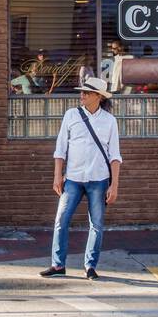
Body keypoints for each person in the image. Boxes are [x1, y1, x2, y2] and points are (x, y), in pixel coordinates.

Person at [41, 76, 122, 281]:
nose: (82, 95)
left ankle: (90, 266)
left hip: (99, 179)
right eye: (82, 92)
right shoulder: (71, 115)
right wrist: (57, 176)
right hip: (73, 179)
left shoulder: (109, 121)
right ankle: (58, 264)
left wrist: (114, 186)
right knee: (61, 220)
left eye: (86, 93)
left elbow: (115, 156)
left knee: (96, 224)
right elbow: (61, 149)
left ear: (98, 97)